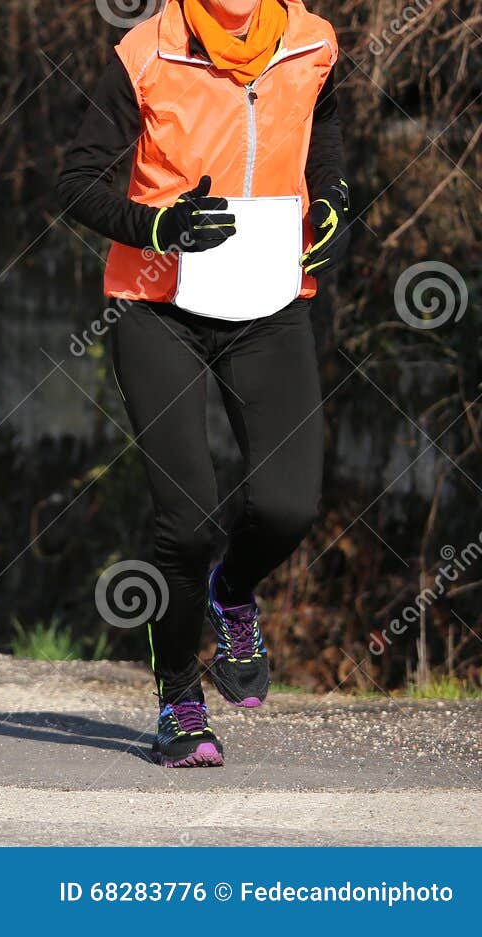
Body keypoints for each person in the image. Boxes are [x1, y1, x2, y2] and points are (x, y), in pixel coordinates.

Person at [58, 0, 345, 766]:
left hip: (269, 301)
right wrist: (159, 227)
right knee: (185, 522)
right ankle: (180, 698)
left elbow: (328, 128)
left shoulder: (312, 42)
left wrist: (334, 199)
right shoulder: (143, 52)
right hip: (158, 304)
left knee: (288, 506)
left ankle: (235, 591)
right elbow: (77, 180)